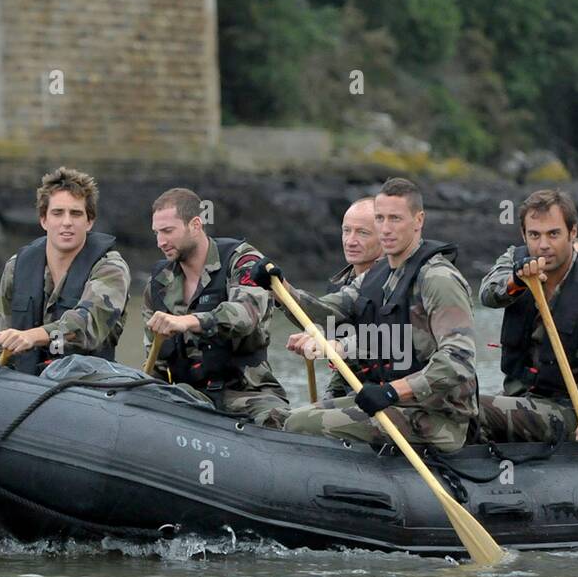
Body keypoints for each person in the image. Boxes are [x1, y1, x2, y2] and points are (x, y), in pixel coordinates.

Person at [255, 177, 478, 453]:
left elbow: (459, 360)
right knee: (288, 420)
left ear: (418, 220)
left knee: (301, 424)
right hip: (391, 402)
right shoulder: (379, 273)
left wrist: (393, 390)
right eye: (380, 218)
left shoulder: (438, 278)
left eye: (395, 219)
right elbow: (329, 310)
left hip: (435, 416)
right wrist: (282, 289)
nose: (385, 228)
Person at [477, 190, 578, 453]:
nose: (543, 245)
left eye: (553, 234)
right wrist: (518, 282)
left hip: (572, 411)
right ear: (524, 236)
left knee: (474, 408)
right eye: (534, 235)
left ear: (573, 233)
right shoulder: (514, 262)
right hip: (520, 399)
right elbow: (487, 294)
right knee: (455, 400)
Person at [140, 187, 290, 428]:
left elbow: (247, 314)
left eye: (168, 231)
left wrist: (191, 321)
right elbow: (155, 361)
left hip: (246, 393)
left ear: (196, 225)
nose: (160, 242)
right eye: (156, 233)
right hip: (187, 395)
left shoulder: (243, 261)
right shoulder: (158, 284)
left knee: (275, 421)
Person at [0, 167, 130, 375]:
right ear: (44, 220)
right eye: (58, 213)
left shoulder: (110, 268)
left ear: (89, 221)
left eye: (75, 214)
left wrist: (33, 335)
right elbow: (2, 339)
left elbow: (88, 326)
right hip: (25, 386)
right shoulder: (16, 267)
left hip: (87, 386)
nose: (67, 222)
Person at [283, 196, 380, 399]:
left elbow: (387, 338)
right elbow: (321, 314)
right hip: (353, 386)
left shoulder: (395, 284)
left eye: (363, 232)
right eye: (346, 231)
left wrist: (333, 346)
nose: (350, 241)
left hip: (391, 394)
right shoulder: (340, 284)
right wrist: (279, 290)